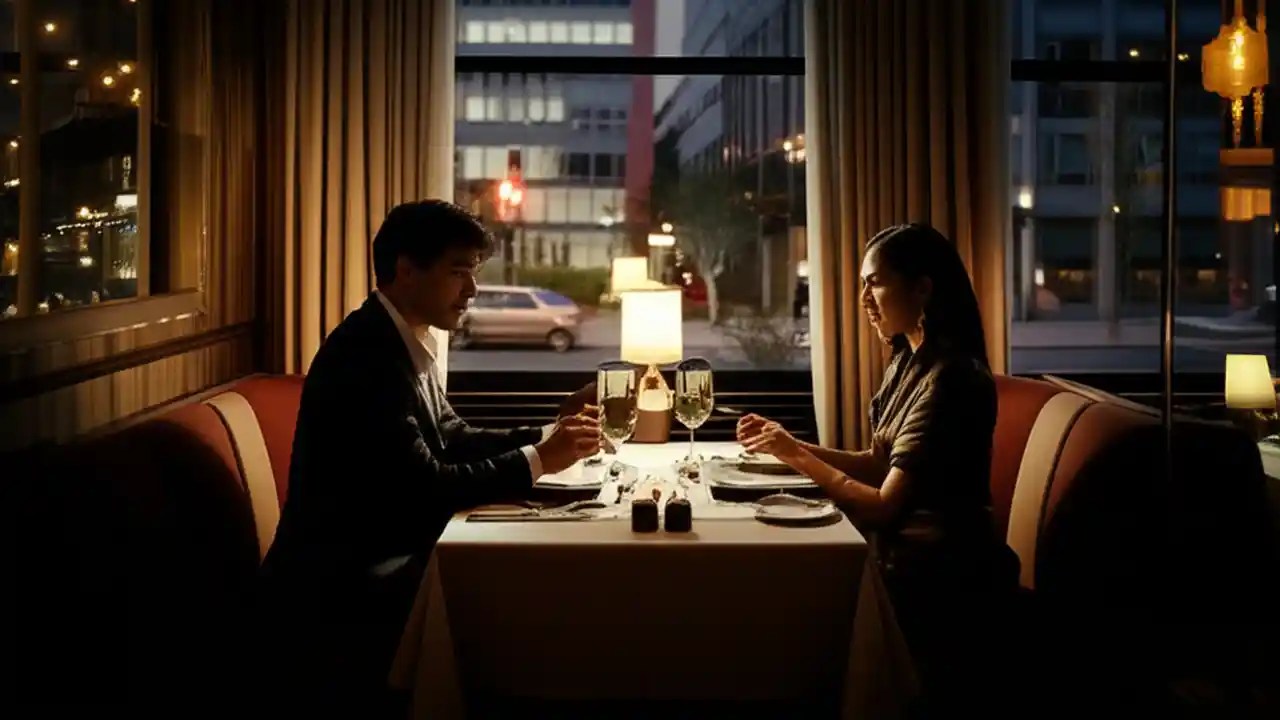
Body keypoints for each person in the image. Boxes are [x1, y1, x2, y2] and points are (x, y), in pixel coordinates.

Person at [258, 200, 600, 710]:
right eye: (459, 271)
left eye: (474, 273)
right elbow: (425, 486)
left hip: (374, 559)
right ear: (406, 270)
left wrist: (552, 433)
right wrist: (540, 460)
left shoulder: (399, 339)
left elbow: (452, 435)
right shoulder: (365, 357)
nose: (473, 289)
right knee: (534, 592)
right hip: (340, 588)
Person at [736, 223, 1016, 711]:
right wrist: (785, 444)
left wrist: (799, 457)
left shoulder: (953, 378)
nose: (864, 297)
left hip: (936, 573)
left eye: (875, 282)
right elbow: (877, 464)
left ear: (922, 287)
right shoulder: (909, 360)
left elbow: (886, 506)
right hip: (901, 555)